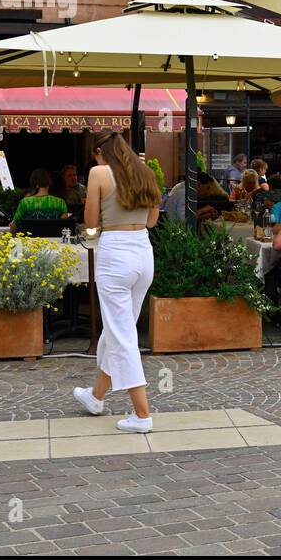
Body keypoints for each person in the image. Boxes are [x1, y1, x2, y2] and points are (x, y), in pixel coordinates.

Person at [72, 131, 161, 434]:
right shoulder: (146, 172)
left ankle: (142, 414)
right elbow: (152, 221)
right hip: (143, 253)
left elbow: (92, 221)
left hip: (115, 255)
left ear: (100, 151)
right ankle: (96, 396)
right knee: (120, 329)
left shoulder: (98, 173)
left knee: (122, 336)